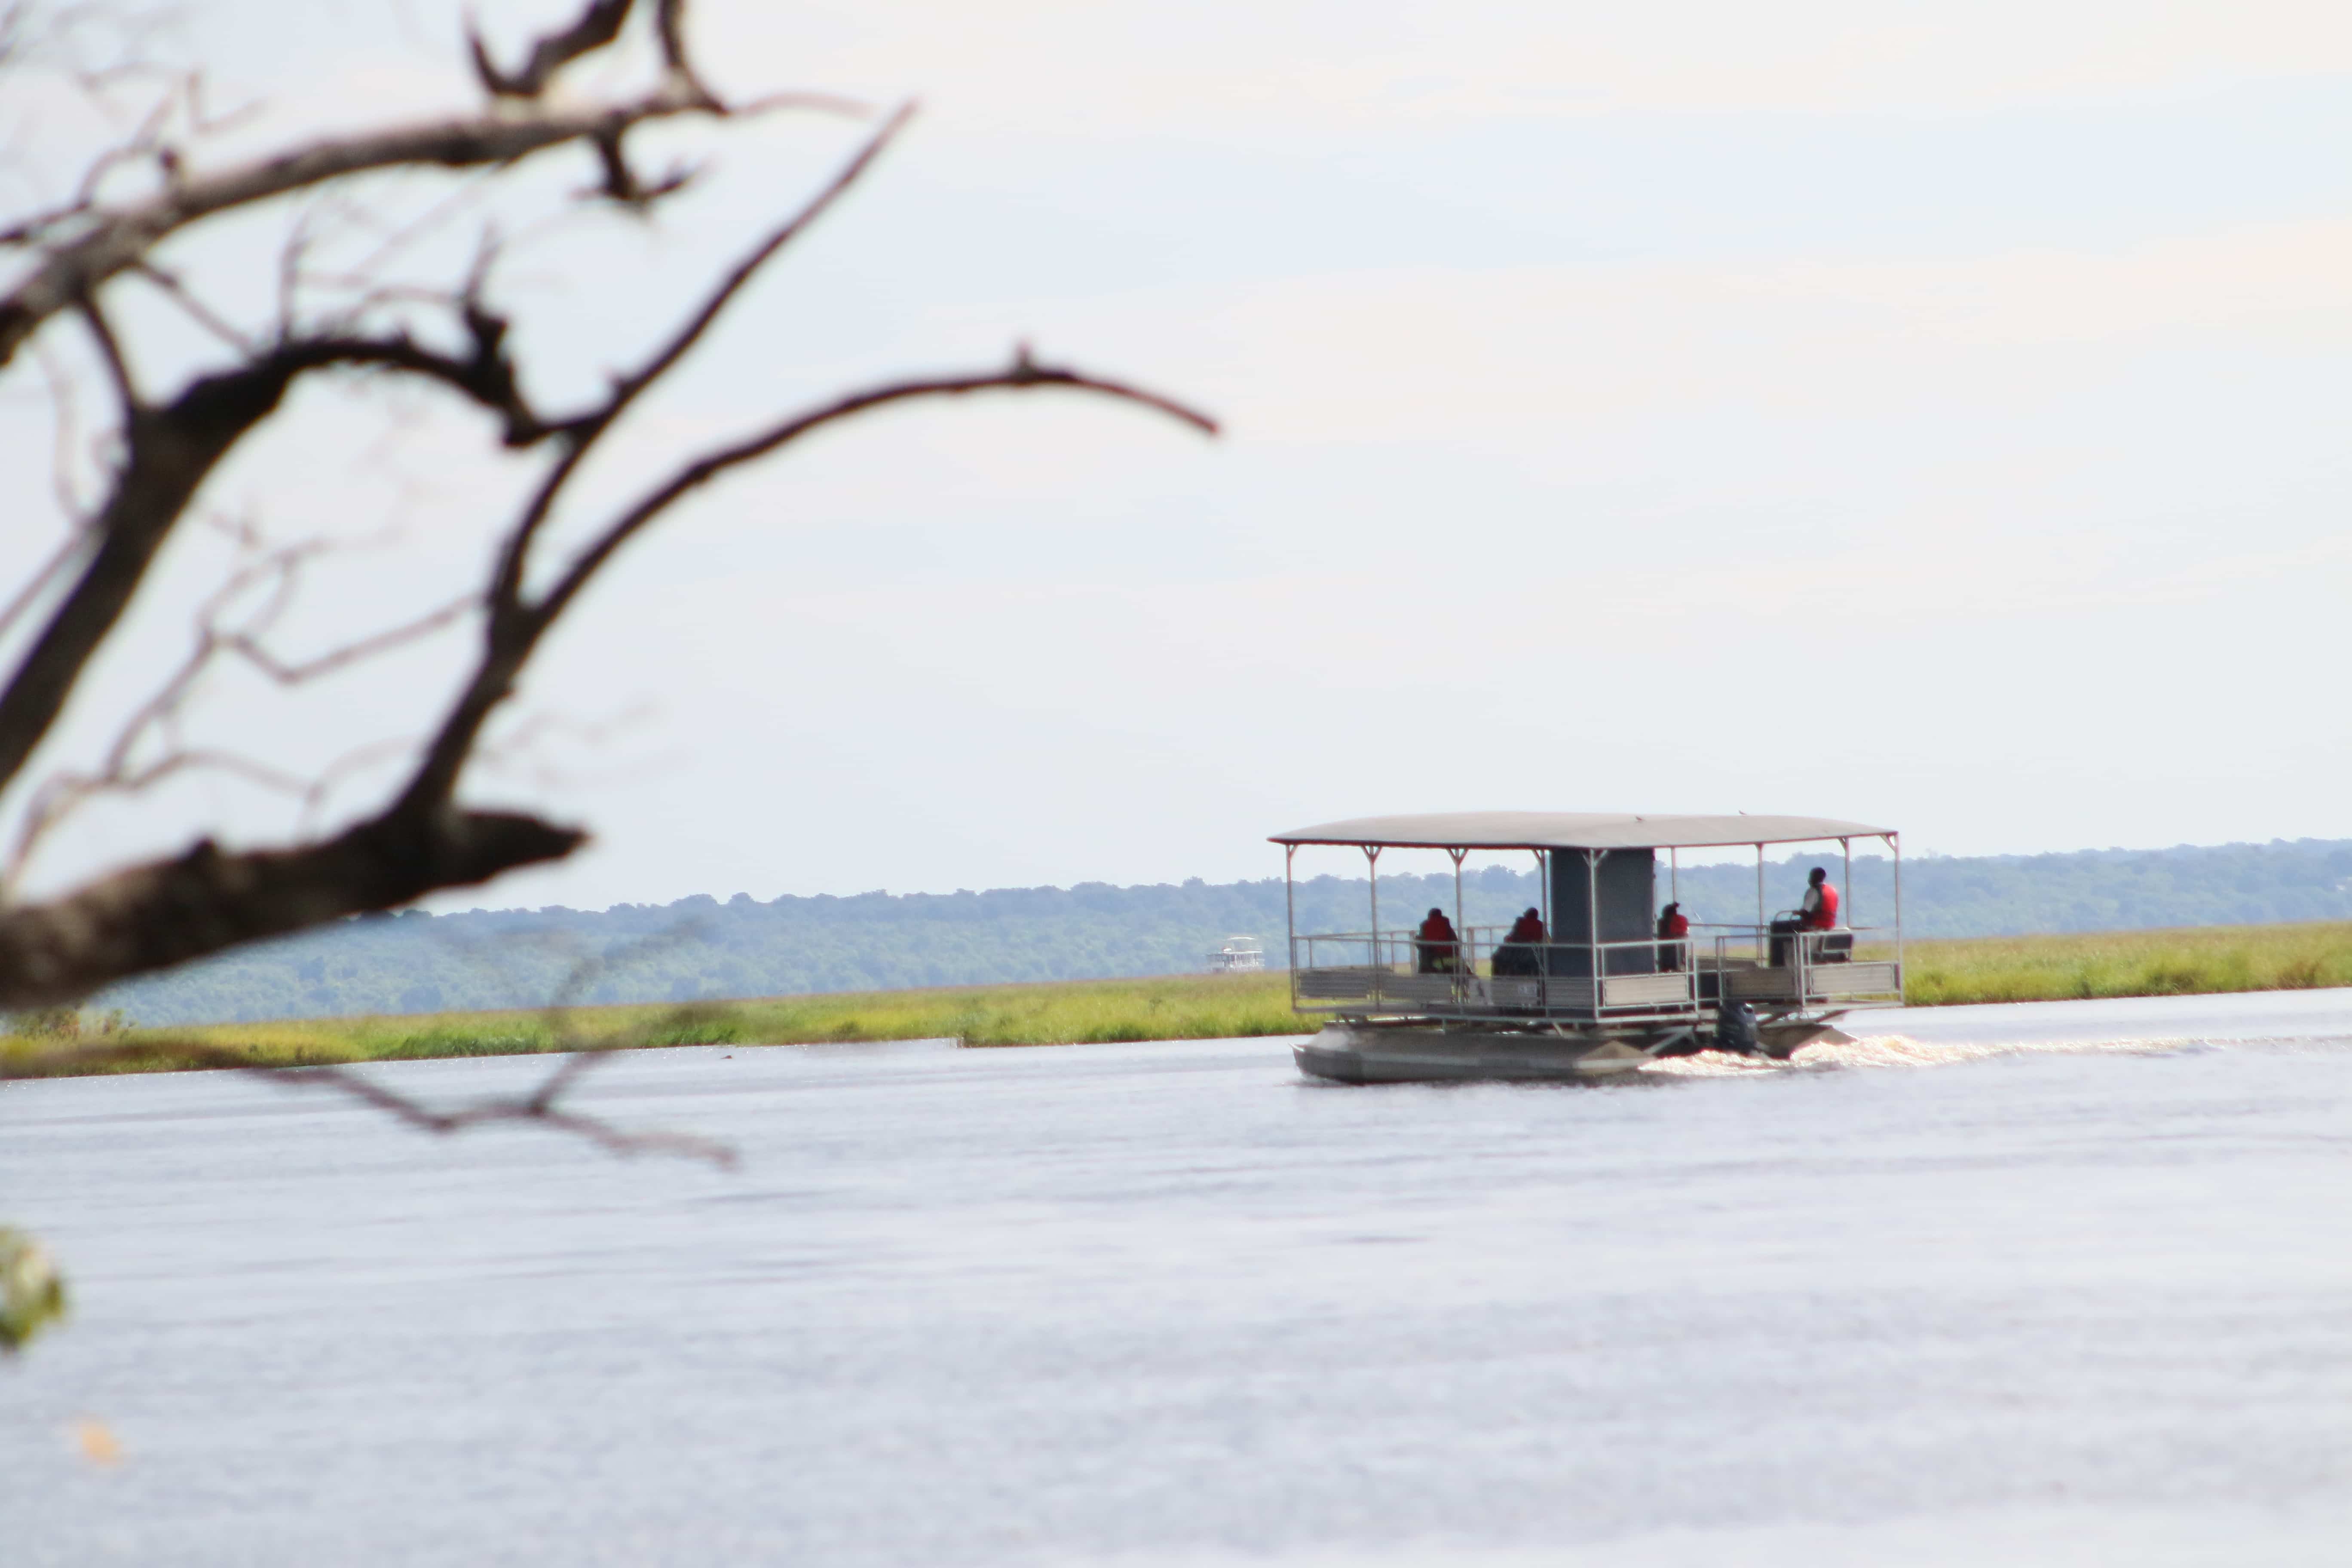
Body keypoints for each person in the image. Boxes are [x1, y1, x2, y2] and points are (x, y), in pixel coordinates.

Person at [1492, 907, 1546, 977]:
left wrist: (1508, 939)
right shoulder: (1540, 925)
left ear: (1527, 914)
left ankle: (1499, 976)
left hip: (1519, 950)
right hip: (1534, 949)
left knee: (1498, 957)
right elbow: (1543, 939)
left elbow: (1514, 936)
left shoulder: (1522, 922)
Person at [1414, 907, 1459, 974]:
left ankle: (1423, 975)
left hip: (1433, 959)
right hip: (1451, 958)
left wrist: (1417, 940)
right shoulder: (1446, 926)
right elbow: (1455, 943)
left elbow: (1422, 943)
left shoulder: (1426, 926)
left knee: (1425, 952)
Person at [1655, 901, 1689, 971]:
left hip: (1669, 948)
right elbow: (1684, 933)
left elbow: (1671, 933)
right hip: (1678, 947)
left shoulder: (1665, 922)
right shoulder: (1682, 919)